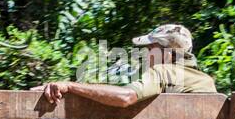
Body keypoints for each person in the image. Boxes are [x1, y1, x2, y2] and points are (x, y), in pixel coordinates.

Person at [36, 23, 216, 107]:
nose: (145, 54)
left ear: (166, 52)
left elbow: (126, 97)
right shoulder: (207, 82)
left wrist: (69, 86)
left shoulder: (163, 72)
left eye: (149, 49)